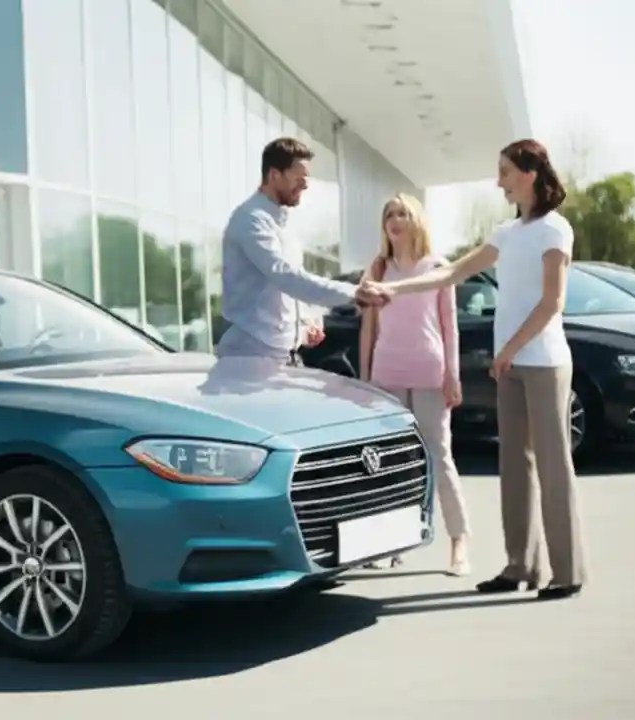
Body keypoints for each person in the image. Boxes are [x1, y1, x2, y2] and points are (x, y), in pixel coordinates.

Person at [357, 139, 586, 601]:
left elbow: (552, 302)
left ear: (528, 173)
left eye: (504, 171)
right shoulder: (506, 233)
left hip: (543, 364)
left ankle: (567, 572)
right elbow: (448, 275)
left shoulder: (554, 230)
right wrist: (392, 289)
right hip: (512, 365)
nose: (499, 181)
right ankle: (520, 566)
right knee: (514, 467)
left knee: (552, 467)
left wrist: (511, 348)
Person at [358, 193, 472, 576]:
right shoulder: (378, 267)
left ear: (415, 220)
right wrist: (364, 377)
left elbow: (449, 327)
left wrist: (452, 374)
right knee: (388, 463)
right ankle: (391, 543)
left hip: (428, 371)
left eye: (402, 213)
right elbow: (368, 329)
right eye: (389, 213)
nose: (395, 219)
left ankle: (459, 542)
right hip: (387, 374)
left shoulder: (436, 267)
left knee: (439, 458)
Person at [217, 137, 357, 365]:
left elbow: (290, 286)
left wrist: (309, 322)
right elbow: (286, 277)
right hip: (250, 357)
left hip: (284, 355)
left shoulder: (285, 225)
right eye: (299, 179)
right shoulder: (251, 220)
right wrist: (354, 294)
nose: (305, 185)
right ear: (274, 175)